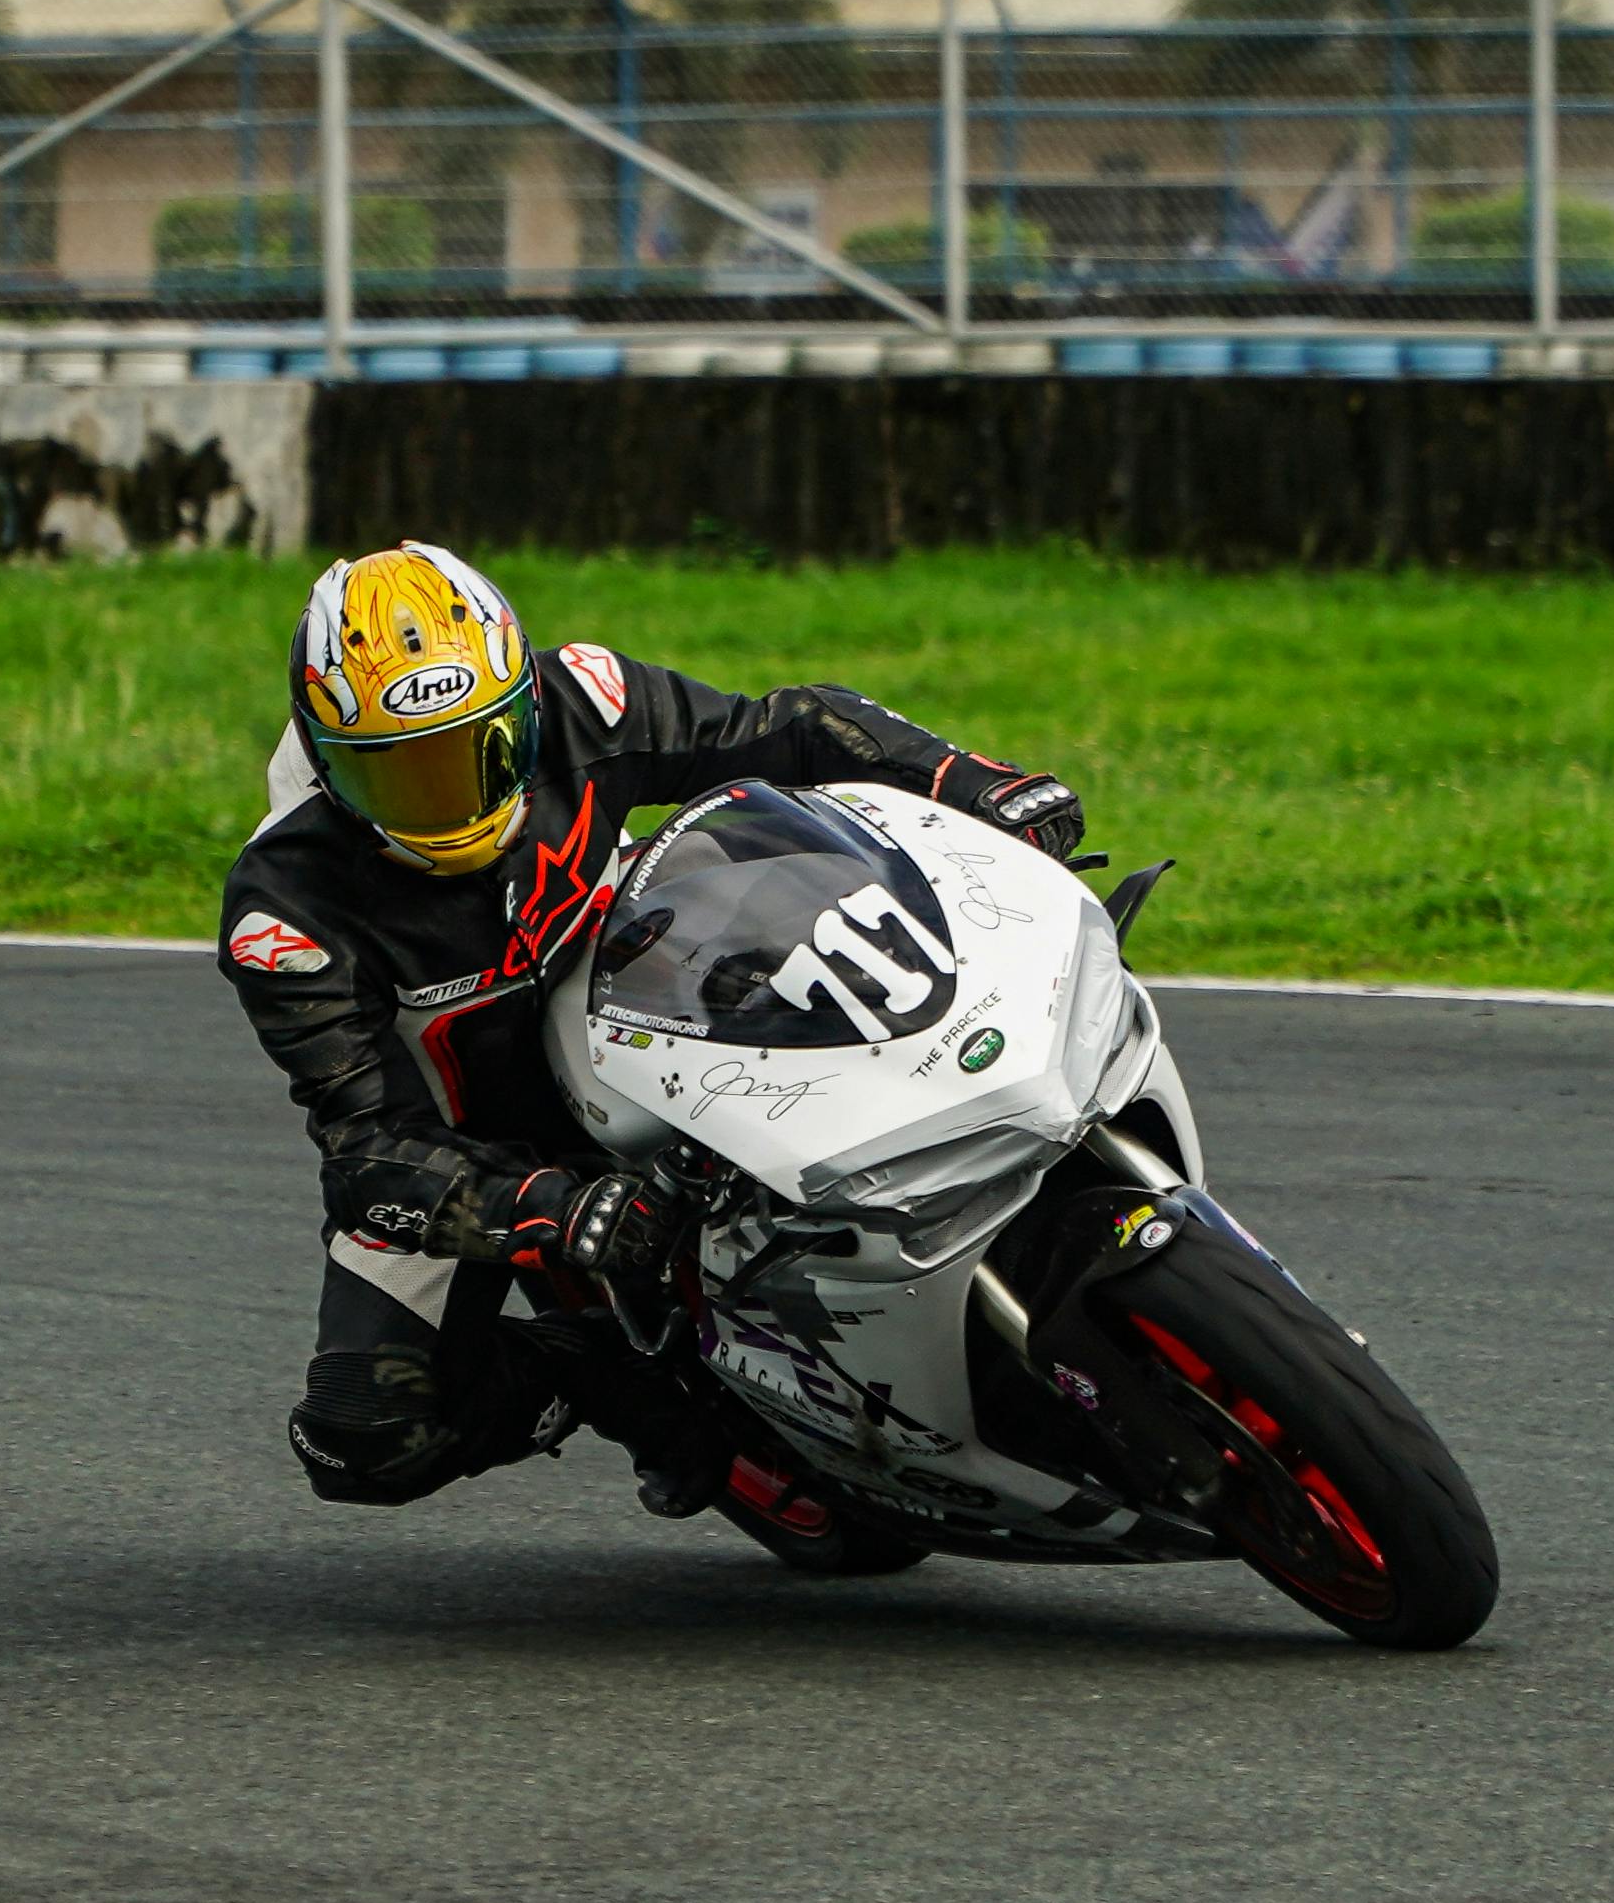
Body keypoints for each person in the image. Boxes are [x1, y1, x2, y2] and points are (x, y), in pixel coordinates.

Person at [217, 541, 1087, 1517]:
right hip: (467, 1146)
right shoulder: (285, 912)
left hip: (644, 1006)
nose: (448, 800)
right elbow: (364, 1149)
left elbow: (791, 727)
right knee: (362, 1439)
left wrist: (972, 782)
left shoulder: (584, 701)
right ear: (328, 768)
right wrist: (544, 1206)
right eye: (399, 777)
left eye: (477, 752)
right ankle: (596, 1373)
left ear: (523, 706)